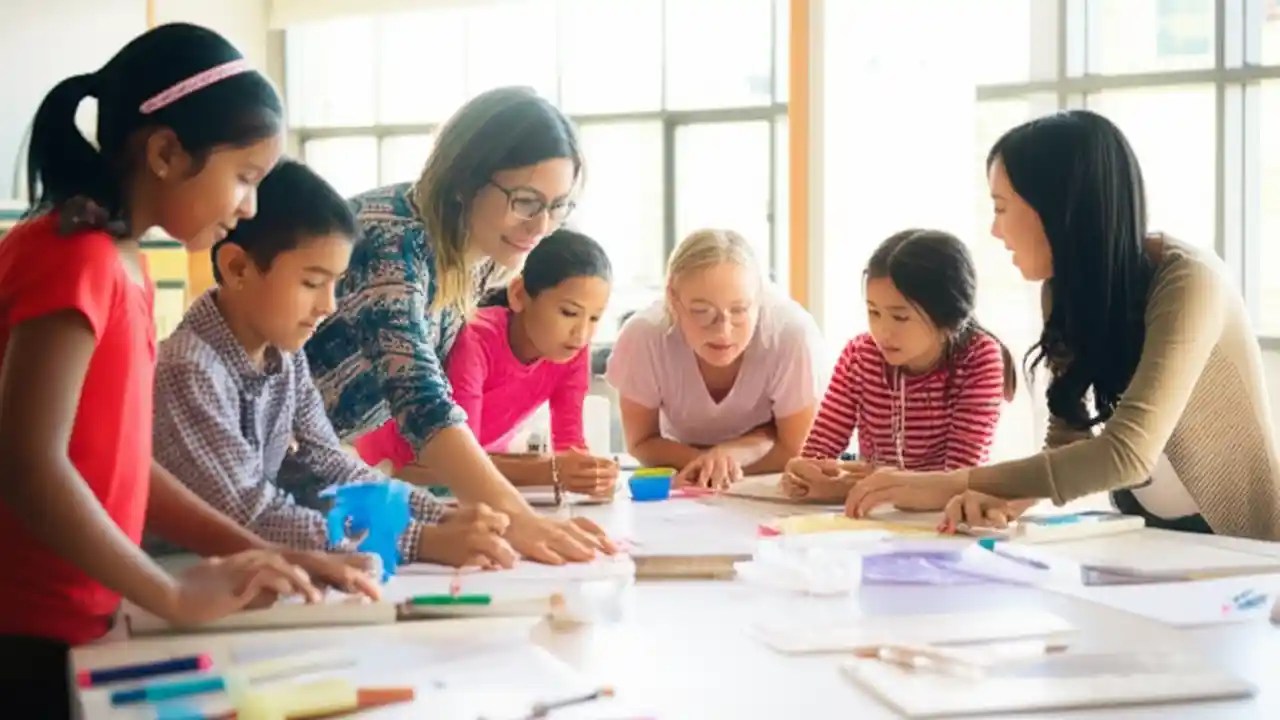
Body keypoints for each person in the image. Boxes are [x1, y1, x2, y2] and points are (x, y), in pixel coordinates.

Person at [0, 24, 374, 718]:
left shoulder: (125, 264)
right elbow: (29, 466)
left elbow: (124, 465)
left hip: (83, 618)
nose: (250, 207)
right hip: (27, 631)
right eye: (245, 178)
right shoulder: (74, 257)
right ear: (167, 153)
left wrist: (264, 552)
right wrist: (170, 592)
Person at [845, 110, 1280, 541]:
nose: (995, 230)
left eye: (1001, 207)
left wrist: (947, 483)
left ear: (1057, 208)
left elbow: (1127, 454)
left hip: (1243, 542)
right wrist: (1005, 499)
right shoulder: (1063, 289)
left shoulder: (1189, 281)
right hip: (1147, 534)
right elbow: (1068, 435)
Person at [151, 159, 517, 570]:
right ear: (237, 268)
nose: (328, 305)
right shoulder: (190, 370)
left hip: (242, 568)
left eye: (335, 284)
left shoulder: (283, 357)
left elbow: (330, 463)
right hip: (175, 575)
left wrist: (436, 514)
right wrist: (420, 540)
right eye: (312, 283)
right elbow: (251, 512)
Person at [304, 86, 612, 564]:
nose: (540, 227)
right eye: (526, 201)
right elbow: (421, 400)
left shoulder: (480, 254)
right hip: (238, 445)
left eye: (558, 207)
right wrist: (519, 519)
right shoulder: (395, 243)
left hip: (309, 455)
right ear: (467, 179)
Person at [354, 228, 619, 497]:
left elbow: (569, 446)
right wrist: (548, 470)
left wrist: (590, 476)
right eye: (569, 312)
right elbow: (457, 460)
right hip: (401, 463)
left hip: (478, 462)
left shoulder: (572, 350)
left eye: (594, 318)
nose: (582, 333)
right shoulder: (475, 339)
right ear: (519, 294)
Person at [781, 229, 1015, 503]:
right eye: (873, 312)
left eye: (900, 317)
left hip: (943, 518)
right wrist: (804, 473)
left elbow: (957, 479)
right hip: (872, 515)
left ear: (948, 319)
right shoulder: (860, 355)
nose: (882, 332)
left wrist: (850, 487)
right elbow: (818, 452)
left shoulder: (979, 359)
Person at [606, 229, 824, 488]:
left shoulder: (790, 335)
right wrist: (710, 463)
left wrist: (726, 462)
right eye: (702, 311)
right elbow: (641, 441)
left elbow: (794, 449)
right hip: (685, 475)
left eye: (739, 310)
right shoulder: (645, 335)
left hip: (764, 482)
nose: (723, 331)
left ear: (759, 300)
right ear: (673, 299)